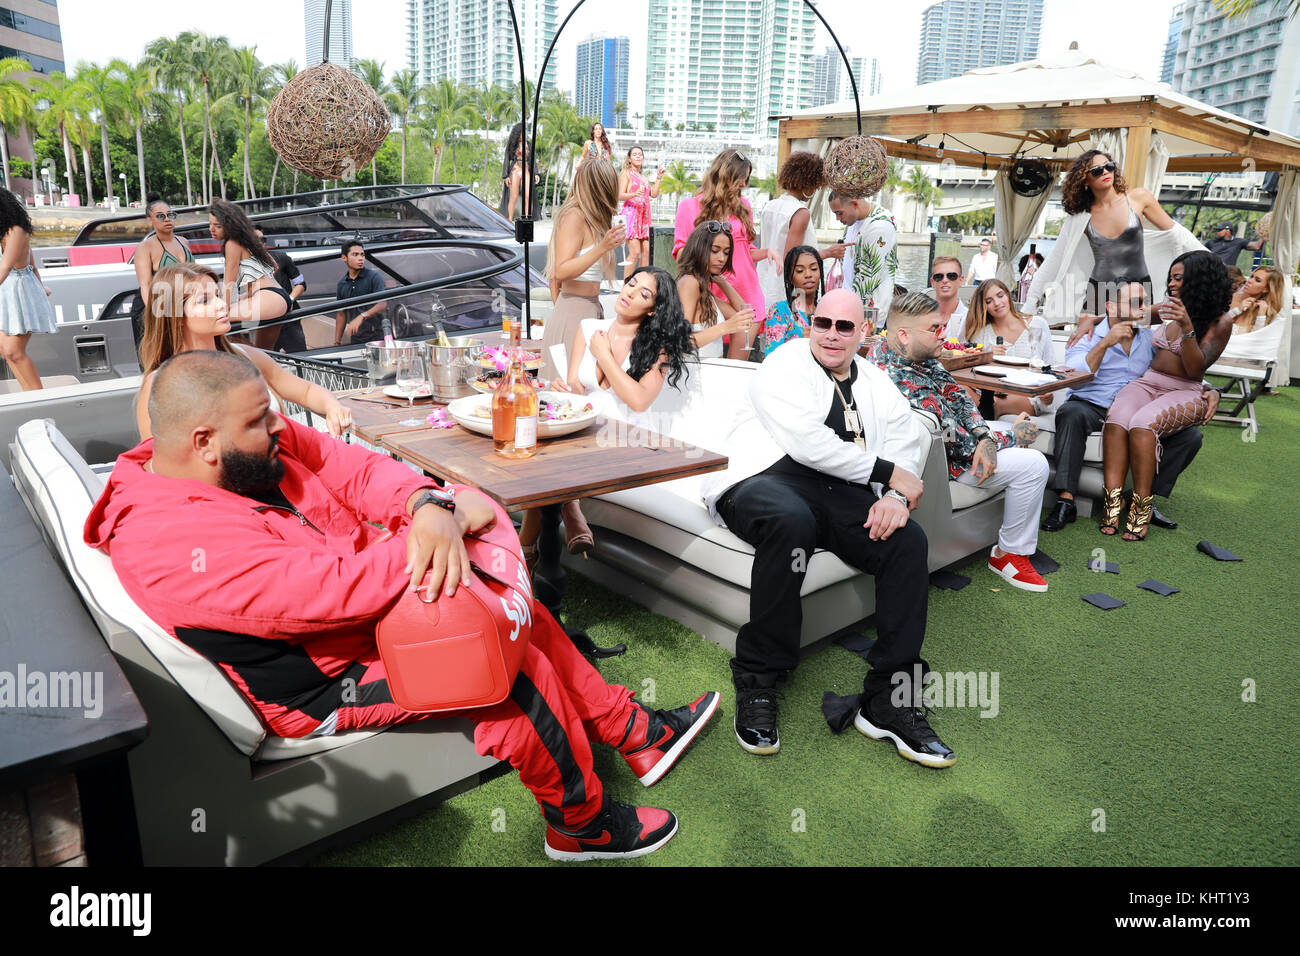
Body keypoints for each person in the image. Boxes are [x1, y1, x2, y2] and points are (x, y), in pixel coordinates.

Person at [86, 349, 719, 861]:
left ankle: (630, 732)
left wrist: (426, 506)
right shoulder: (169, 541)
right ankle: (582, 827)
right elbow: (331, 592)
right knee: (515, 681)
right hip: (323, 681)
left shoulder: (247, 447)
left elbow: (356, 468)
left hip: (361, 613)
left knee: (507, 604)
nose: (283, 426)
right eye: (263, 422)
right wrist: (451, 523)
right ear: (203, 441)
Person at [700, 288, 954, 767]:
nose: (831, 335)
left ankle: (888, 701)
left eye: (844, 326)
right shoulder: (784, 363)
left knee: (907, 542)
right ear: (810, 323)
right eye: (822, 323)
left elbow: (909, 434)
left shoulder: (875, 379)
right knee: (791, 522)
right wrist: (886, 474)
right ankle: (758, 680)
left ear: (864, 331)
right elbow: (807, 443)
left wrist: (897, 497)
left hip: (839, 490)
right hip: (762, 477)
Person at [878, 292, 1050, 593]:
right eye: (935, 329)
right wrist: (1016, 436)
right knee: (1034, 462)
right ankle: (1009, 554)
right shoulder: (904, 382)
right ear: (904, 334)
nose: (943, 335)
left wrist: (986, 436)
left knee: (1004, 425)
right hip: (947, 465)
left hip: (955, 446)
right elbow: (955, 443)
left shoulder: (908, 353)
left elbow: (956, 396)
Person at [521, 267, 695, 564]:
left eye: (643, 293)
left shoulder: (658, 347)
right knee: (537, 454)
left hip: (630, 439)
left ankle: (528, 549)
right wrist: (562, 386)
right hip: (586, 432)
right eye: (631, 283)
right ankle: (568, 512)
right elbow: (576, 390)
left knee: (547, 468)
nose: (628, 292)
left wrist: (603, 354)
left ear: (653, 310)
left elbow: (639, 401)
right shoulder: (588, 327)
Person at [1043, 279, 1216, 534]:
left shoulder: (1150, 339)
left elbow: (1175, 372)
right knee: (1071, 413)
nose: (1145, 308)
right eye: (1137, 303)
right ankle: (1066, 500)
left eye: (1146, 302)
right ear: (1112, 307)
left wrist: (1210, 389)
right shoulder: (1088, 336)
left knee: (1191, 436)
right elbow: (1076, 381)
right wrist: (1105, 343)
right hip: (1093, 404)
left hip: (1137, 410)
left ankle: (1141, 499)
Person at [1101, 251, 1234, 541]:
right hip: (1149, 382)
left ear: (1199, 280)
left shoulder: (1220, 322)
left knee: (1143, 424)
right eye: (1171, 278)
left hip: (1184, 389)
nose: (1171, 284)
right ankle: (1111, 506)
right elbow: (1124, 312)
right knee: (1117, 419)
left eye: (1178, 278)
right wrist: (1092, 319)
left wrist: (1187, 328)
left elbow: (1195, 369)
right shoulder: (1168, 307)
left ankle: (1140, 509)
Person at [136, 263, 352, 439]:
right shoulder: (159, 385)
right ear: (176, 317)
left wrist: (332, 406)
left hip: (283, 476)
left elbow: (305, 391)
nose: (222, 304)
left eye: (218, 295)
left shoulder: (247, 356)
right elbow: (152, 461)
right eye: (205, 300)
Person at [1026, 149, 1199, 323]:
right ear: (1084, 179)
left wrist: (1215, 266)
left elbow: (1178, 234)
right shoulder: (1080, 217)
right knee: (1090, 342)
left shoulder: (1139, 198)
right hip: (1100, 289)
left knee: (1137, 344)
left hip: (1138, 287)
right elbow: (1055, 259)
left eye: (1109, 166)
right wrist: (1030, 304)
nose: (1105, 172)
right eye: (1096, 171)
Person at [673, 149, 779, 355]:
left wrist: (767, 252)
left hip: (745, 293)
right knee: (706, 356)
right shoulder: (689, 207)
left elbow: (745, 252)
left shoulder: (744, 206)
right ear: (724, 174)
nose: (744, 184)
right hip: (709, 293)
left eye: (747, 179)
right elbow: (681, 253)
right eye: (740, 178)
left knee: (735, 368)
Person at [541, 159, 624, 383]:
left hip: (589, 309)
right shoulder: (574, 216)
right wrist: (602, 247)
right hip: (573, 310)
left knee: (584, 392)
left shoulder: (595, 220)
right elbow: (559, 270)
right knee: (567, 393)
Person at [951, 278, 1055, 417]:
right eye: (989, 301)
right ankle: (986, 417)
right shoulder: (982, 333)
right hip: (990, 392)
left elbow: (1051, 366)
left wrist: (1047, 392)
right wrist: (986, 356)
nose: (997, 303)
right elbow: (969, 370)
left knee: (991, 404)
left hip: (1026, 393)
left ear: (1008, 295)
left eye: (1000, 296)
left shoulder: (1037, 324)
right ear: (984, 306)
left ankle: (986, 417)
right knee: (958, 389)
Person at [756, 151, 845, 310]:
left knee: (770, 333)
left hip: (764, 285)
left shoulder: (769, 207)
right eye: (816, 186)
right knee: (797, 333)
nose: (816, 190)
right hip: (790, 292)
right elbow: (792, 259)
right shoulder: (800, 212)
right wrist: (829, 252)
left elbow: (766, 249)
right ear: (809, 183)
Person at [209, 198, 292, 351]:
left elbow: (229, 282)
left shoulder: (232, 243)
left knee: (212, 318)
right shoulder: (249, 240)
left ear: (229, 226)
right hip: (280, 297)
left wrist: (224, 306)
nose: (211, 229)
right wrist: (250, 295)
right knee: (265, 354)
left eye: (217, 226)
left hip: (268, 298)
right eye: (210, 224)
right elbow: (273, 266)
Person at [0, 186, 57, 390]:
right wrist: (42, 288)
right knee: (7, 352)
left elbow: (6, 266)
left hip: (19, 292)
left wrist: (40, 291)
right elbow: (34, 266)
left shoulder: (16, 230)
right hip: (6, 293)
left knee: (14, 351)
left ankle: (38, 398)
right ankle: (29, 396)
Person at [674, 220, 756, 359]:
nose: (722, 258)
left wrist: (724, 283)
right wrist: (726, 327)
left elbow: (745, 317)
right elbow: (680, 341)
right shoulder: (689, 283)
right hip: (694, 374)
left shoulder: (704, 291)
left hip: (712, 371)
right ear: (699, 248)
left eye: (726, 252)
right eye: (715, 251)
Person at [827, 190, 898, 329]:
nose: (837, 218)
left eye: (839, 213)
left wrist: (844, 310)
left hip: (868, 314)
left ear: (854, 204)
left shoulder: (879, 227)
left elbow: (868, 279)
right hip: (850, 308)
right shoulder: (853, 223)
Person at [131, 196, 195, 341]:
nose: (167, 219)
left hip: (180, 306)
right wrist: (156, 317)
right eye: (160, 216)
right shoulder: (145, 247)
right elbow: (145, 285)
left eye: (170, 215)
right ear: (150, 220)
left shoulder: (184, 242)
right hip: (152, 307)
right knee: (155, 359)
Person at [762, 244, 823, 357]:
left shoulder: (828, 310)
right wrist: (803, 344)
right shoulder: (779, 311)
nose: (808, 275)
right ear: (790, 277)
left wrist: (866, 339)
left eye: (814, 269)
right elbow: (771, 358)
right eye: (800, 271)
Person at [617, 146, 663, 279]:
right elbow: (620, 195)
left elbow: (653, 194)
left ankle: (641, 281)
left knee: (647, 252)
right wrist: (634, 194)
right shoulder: (626, 173)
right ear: (629, 159)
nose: (638, 156)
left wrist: (659, 178)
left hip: (644, 217)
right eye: (635, 154)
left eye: (640, 154)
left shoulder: (643, 177)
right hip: (632, 216)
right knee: (635, 252)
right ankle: (627, 284)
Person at [333, 240, 389, 346]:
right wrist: (337, 341)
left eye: (362, 255)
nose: (360, 258)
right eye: (355, 254)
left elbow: (382, 304)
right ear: (344, 257)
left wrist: (362, 316)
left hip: (378, 337)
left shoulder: (374, 277)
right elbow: (341, 314)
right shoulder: (342, 283)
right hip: (356, 339)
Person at [499, 122, 540, 222]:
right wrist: (505, 176)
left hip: (526, 170)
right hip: (515, 170)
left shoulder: (529, 144)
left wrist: (536, 173)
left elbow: (533, 159)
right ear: (518, 133)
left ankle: (527, 218)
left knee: (528, 196)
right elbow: (507, 159)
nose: (524, 133)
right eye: (522, 132)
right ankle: (509, 219)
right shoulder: (512, 145)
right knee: (514, 196)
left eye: (525, 132)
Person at [1227, 265, 1285, 333]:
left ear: (1266, 289)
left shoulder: (1266, 311)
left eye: (1257, 280)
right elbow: (1217, 325)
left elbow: (1256, 339)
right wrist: (1237, 310)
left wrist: (1261, 316)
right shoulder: (1233, 297)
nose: (1249, 281)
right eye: (1251, 276)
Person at [929, 255, 967, 330]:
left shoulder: (970, 319)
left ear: (961, 280)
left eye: (952, 276)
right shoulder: (920, 316)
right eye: (939, 276)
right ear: (932, 282)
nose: (945, 280)